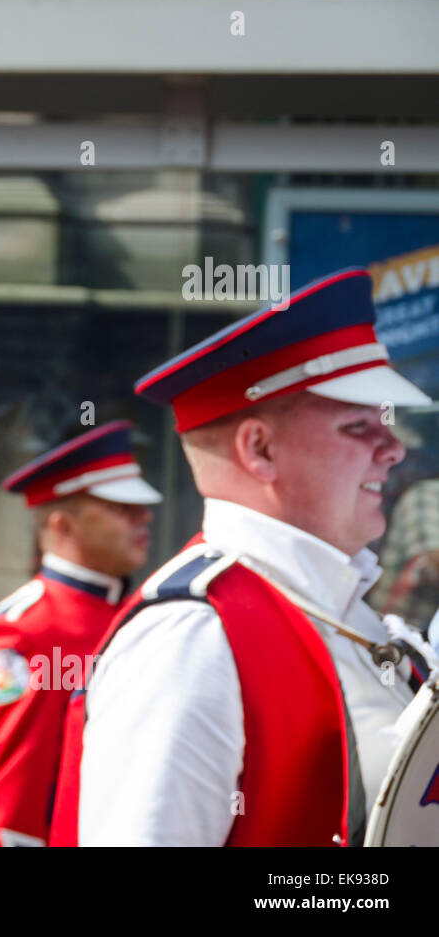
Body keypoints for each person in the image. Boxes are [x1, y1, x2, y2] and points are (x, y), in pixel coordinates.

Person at [49, 268, 437, 847]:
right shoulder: (191, 635)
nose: (393, 448)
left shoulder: (332, 607)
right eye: (359, 426)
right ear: (259, 449)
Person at [0, 420, 161, 847]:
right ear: (63, 526)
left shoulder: (136, 610)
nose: (144, 517)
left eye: (140, 507)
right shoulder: (22, 632)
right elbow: (14, 793)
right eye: (120, 508)